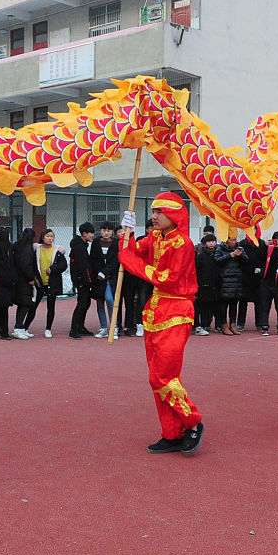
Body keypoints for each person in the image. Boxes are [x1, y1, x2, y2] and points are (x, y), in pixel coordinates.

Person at [118, 194, 204, 455]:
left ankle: (192, 421)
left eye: (160, 212)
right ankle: (171, 433)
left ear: (174, 215)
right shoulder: (154, 237)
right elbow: (132, 251)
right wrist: (128, 233)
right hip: (155, 311)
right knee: (158, 379)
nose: (154, 216)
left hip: (177, 311)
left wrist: (130, 262)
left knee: (161, 377)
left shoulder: (183, 244)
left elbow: (167, 278)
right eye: (154, 211)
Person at [30, 229, 66, 338]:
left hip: (52, 283)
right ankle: (25, 327)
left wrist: (53, 269)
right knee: (33, 306)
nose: (50, 238)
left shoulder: (57, 251)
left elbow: (63, 265)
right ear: (42, 237)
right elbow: (31, 264)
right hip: (39, 283)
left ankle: (48, 329)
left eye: (52, 236)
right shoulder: (36, 249)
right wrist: (34, 277)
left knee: (51, 307)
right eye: (47, 236)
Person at [258, 231, 278, 336]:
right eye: (275, 239)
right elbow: (260, 257)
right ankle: (264, 326)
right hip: (267, 282)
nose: (277, 241)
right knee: (264, 305)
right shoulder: (269, 249)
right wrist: (264, 245)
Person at [215, 234, 247, 335]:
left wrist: (240, 255)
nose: (234, 242)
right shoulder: (220, 249)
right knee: (223, 305)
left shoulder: (239, 249)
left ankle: (233, 325)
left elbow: (246, 260)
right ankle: (224, 325)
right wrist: (229, 255)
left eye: (235, 240)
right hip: (225, 281)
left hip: (237, 280)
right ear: (226, 240)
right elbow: (217, 260)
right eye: (232, 240)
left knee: (234, 304)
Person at [90, 222, 118, 338]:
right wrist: (99, 273)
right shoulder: (96, 242)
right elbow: (93, 259)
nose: (106, 233)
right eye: (103, 230)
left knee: (110, 300)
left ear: (112, 232)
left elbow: (115, 261)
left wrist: (105, 272)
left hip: (111, 277)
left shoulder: (116, 243)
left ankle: (114, 327)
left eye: (108, 231)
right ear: (100, 231)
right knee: (100, 302)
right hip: (98, 278)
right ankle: (104, 328)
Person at [11, 228, 41, 339]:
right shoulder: (27, 248)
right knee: (25, 304)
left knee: (23, 304)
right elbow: (26, 265)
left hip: (18, 279)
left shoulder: (17, 246)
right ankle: (18, 328)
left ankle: (20, 328)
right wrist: (31, 277)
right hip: (24, 280)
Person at [68, 222, 95, 339]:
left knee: (86, 303)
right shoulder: (79, 247)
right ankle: (74, 329)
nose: (92, 235)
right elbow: (83, 267)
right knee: (82, 304)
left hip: (83, 280)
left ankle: (80, 326)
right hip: (81, 281)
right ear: (84, 234)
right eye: (90, 233)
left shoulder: (82, 246)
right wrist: (88, 281)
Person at [238, 232, 267, 332]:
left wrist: (261, 270)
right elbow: (239, 260)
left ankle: (259, 323)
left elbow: (264, 259)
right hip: (245, 275)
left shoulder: (262, 243)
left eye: (254, 229)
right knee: (242, 302)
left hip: (258, 277)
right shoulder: (242, 243)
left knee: (259, 302)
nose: (252, 231)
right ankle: (240, 323)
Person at [193, 234, 221, 336]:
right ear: (205, 243)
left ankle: (218, 325)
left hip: (217, 283)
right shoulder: (201, 255)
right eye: (209, 242)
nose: (211, 243)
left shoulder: (218, 254)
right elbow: (198, 270)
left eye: (213, 241)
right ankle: (204, 324)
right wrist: (200, 282)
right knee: (204, 306)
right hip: (205, 284)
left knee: (217, 306)